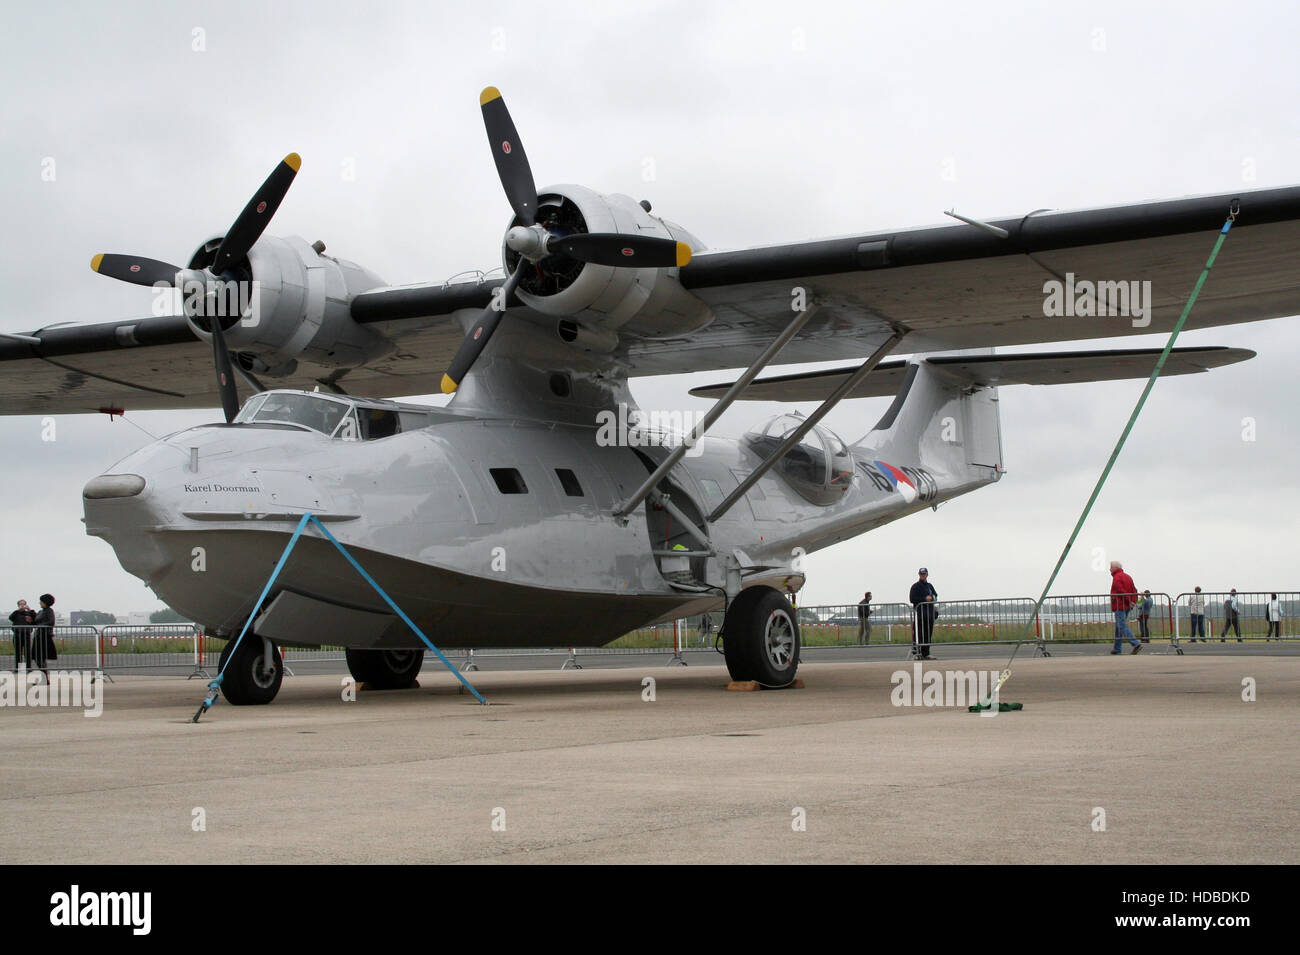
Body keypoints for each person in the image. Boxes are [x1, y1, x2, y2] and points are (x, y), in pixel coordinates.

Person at [1109, 561, 1142, 654]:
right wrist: (1133, 601)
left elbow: (1120, 590)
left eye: (1111, 567)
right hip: (1127, 605)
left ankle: (1135, 643)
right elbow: (1134, 590)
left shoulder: (1117, 577)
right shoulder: (1128, 577)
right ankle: (1117, 648)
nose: (1110, 569)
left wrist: (1128, 600)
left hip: (1120, 605)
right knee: (1119, 627)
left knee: (1121, 625)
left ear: (1115, 568)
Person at [909, 569, 938, 660]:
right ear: (919, 575)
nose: (923, 575)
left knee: (928, 634)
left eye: (924, 574)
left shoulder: (930, 586)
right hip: (920, 615)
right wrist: (924, 599)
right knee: (919, 634)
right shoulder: (915, 586)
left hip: (929, 615)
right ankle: (918, 653)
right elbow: (912, 599)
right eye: (921, 574)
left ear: (927, 575)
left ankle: (926, 653)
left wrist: (932, 598)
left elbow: (935, 596)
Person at [29, 593, 56, 682]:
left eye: (41, 601)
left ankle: (45, 678)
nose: (40, 603)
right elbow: (36, 622)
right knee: (37, 658)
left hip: (45, 636)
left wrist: (40, 625)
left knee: (40, 657)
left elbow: (51, 622)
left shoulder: (49, 611)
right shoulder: (41, 612)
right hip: (38, 636)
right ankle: (44, 678)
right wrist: (30, 620)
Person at [9, 599, 35, 668]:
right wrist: (18, 610)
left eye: (24, 604)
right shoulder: (16, 613)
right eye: (21, 604)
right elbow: (11, 618)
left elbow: (35, 618)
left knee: (28, 653)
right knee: (18, 653)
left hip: (27, 635)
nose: (22, 606)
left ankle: (28, 668)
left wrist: (30, 610)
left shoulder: (29, 613)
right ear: (18, 605)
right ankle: (18, 668)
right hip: (17, 635)